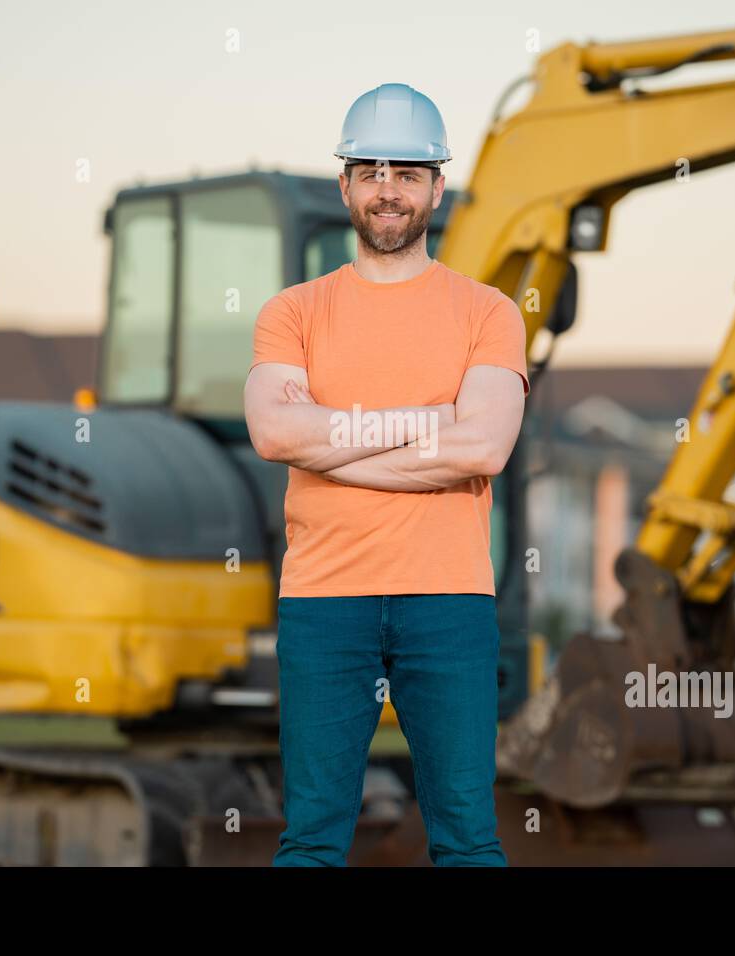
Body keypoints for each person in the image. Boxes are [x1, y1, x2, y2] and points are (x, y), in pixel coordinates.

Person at [243, 82, 528, 866]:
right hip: (324, 601)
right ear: (345, 185)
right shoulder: (292, 313)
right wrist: (426, 422)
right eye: (370, 171)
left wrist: (335, 440)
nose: (388, 190)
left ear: (437, 186)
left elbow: (483, 451)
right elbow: (273, 430)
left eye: (407, 172)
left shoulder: (490, 313)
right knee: (310, 841)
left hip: (451, 600)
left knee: (469, 839)